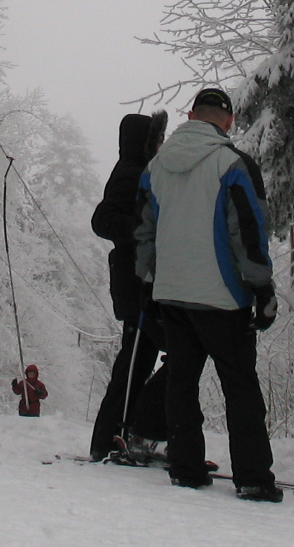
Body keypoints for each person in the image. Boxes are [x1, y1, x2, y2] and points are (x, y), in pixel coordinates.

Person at [135, 87, 281, 501]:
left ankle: (185, 468)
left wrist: (148, 282)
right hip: (222, 297)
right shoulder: (233, 164)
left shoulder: (157, 165)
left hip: (171, 293)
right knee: (240, 387)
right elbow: (249, 233)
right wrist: (262, 288)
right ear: (228, 120)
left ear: (191, 115)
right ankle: (253, 477)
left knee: (181, 382)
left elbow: (145, 229)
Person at [88, 109, 171, 461]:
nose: (161, 143)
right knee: (139, 360)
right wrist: (143, 228)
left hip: (142, 283)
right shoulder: (130, 173)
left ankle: (126, 434)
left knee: (140, 359)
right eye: (156, 138)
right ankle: (117, 436)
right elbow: (102, 220)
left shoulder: (143, 172)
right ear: (144, 141)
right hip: (135, 284)